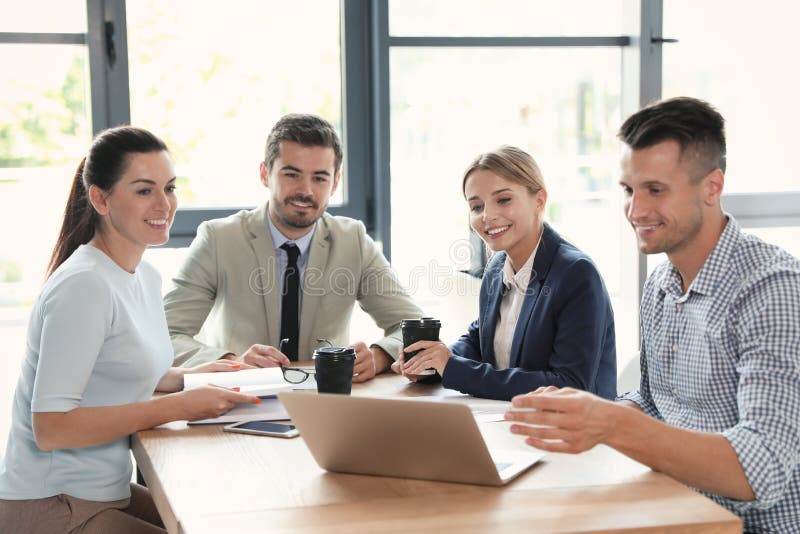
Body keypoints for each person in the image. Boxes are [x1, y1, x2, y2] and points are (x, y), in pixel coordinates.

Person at [505, 97, 800, 532]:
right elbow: (658, 405)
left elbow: (763, 470)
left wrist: (613, 423)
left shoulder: (773, 290)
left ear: (712, 187)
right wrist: (583, 414)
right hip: (670, 508)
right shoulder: (660, 282)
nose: (635, 210)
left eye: (655, 190)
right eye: (628, 189)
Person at [0, 126, 260, 534]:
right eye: (144, 190)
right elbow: (50, 428)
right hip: (53, 504)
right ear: (101, 199)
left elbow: (122, 371)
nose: (164, 204)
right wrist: (179, 405)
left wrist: (196, 376)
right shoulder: (84, 286)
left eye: (169, 188)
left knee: (223, 522)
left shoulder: (143, 276)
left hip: (106, 490)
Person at [164, 113, 424, 381]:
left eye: (320, 178)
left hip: (325, 402)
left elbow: (415, 327)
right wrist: (231, 362)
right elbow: (166, 335)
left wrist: (378, 356)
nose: (306, 191)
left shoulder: (352, 240)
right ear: (265, 174)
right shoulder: (218, 239)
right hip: (238, 400)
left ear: (335, 183)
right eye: (292, 174)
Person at [392, 146, 617, 401]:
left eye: (503, 200)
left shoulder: (576, 274)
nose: (487, 216)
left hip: (572, 433)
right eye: (476, 206)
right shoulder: (497, 267)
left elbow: (569, 386)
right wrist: (431, 361)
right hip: (509, 421)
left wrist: (452, 367)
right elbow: (480, 340)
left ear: (539, 200)